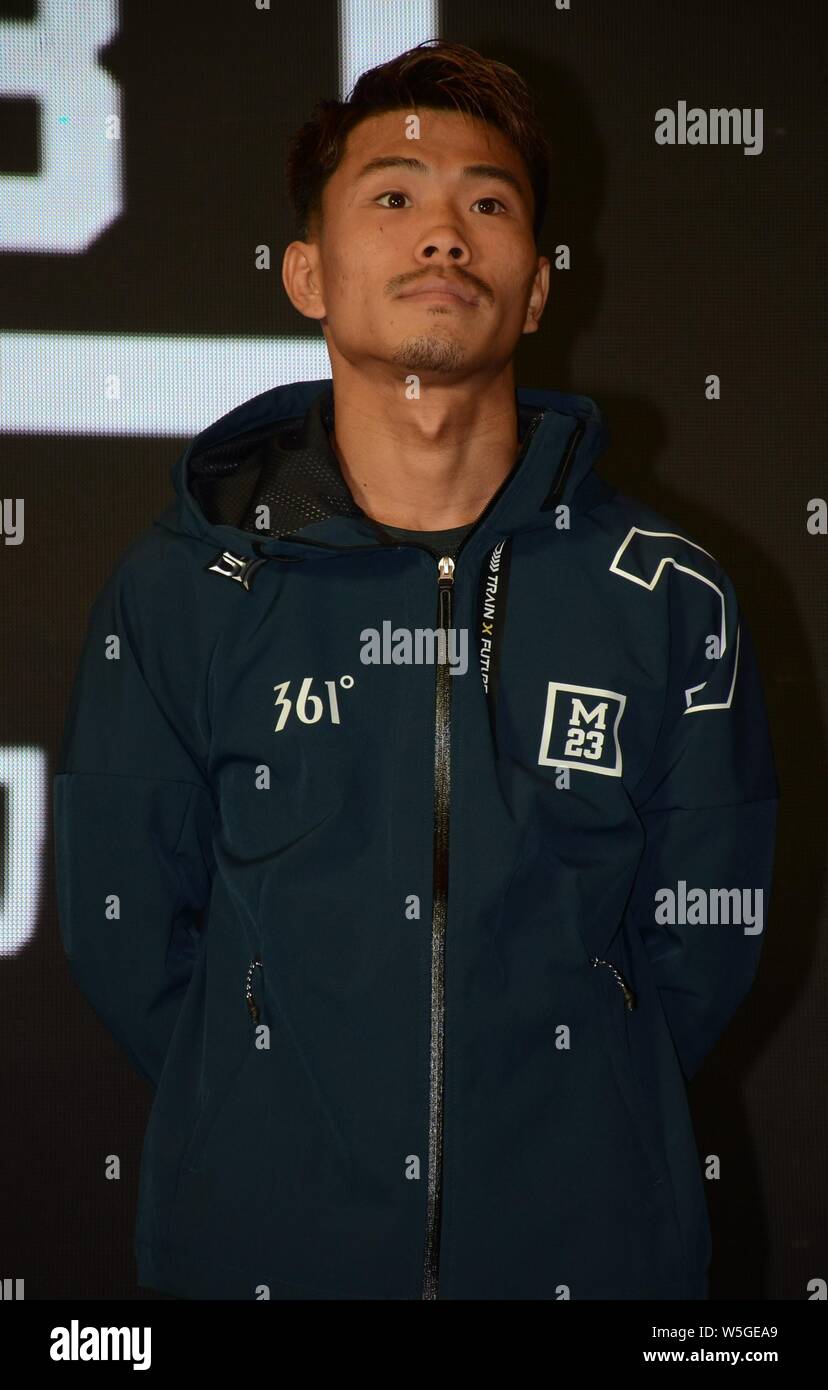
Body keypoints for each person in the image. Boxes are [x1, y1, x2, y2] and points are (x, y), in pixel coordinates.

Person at [53, 39, 779, 1300]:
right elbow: (126, 937)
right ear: (307, 273)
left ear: (539, 286)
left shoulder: (671, 596)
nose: (444, 234)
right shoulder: (184, 588)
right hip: (257, 1260)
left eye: (487, 204)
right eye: (393, 197)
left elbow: (697, 955)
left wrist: (569, 1117)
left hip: (592, 1261)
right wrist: (273, 1111)